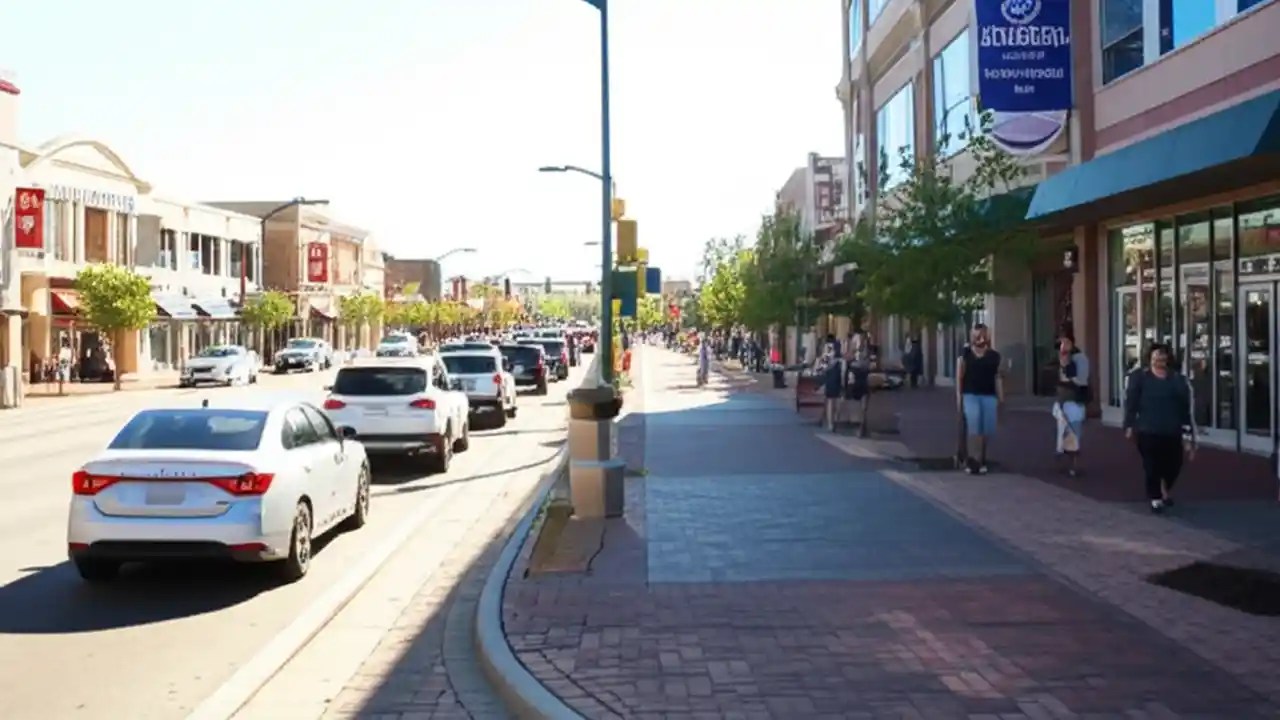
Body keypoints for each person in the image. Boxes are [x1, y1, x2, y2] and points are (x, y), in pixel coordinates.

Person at [1124, 343, 1195, 514]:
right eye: (1156, 357)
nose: (1159, 361)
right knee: (1152, 465)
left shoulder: (1177, 379)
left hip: (1171, 429)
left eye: (1163, 357)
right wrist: (1129, 425)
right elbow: (1131, 403)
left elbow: (1185, 408)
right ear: (1149, 358)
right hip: (1148, 429)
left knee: (1174, 464)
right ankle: (1155, 497)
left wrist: (1188, 434)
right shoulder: (1140, 377)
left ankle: (1164, 488)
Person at [956, 324, 1003, 474]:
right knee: (974, 425)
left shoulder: (994, 356)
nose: (979, 338)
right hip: (971, 394)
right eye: (976, 335)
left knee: (986, 429)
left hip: (989, 395)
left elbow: (998, 377)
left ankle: (981, 458)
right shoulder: (965, 355)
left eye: (982, 334)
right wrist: (959, 397)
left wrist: (1001, 397)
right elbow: (959, 377)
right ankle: (972, 460)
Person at [1052, 333, 1090, 477]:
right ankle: (1064, 462)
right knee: (1063, 434)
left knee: (1074, 433)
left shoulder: (1079, 358)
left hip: (1074, 401)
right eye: (1061, 342)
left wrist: (1068, 377)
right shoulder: (1060, 358)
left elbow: (1081, 380)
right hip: (1062, 401)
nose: (1063, 346)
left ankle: (1074, 466)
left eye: (1066, 342)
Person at [821, 344, 844, 431]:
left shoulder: (835, 361)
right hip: (833, 381)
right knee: (833, 402)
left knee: (834, 402)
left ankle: (832, 422)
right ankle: (832, 422)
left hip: (833, 381)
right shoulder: (837, 361)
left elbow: (823, 369)